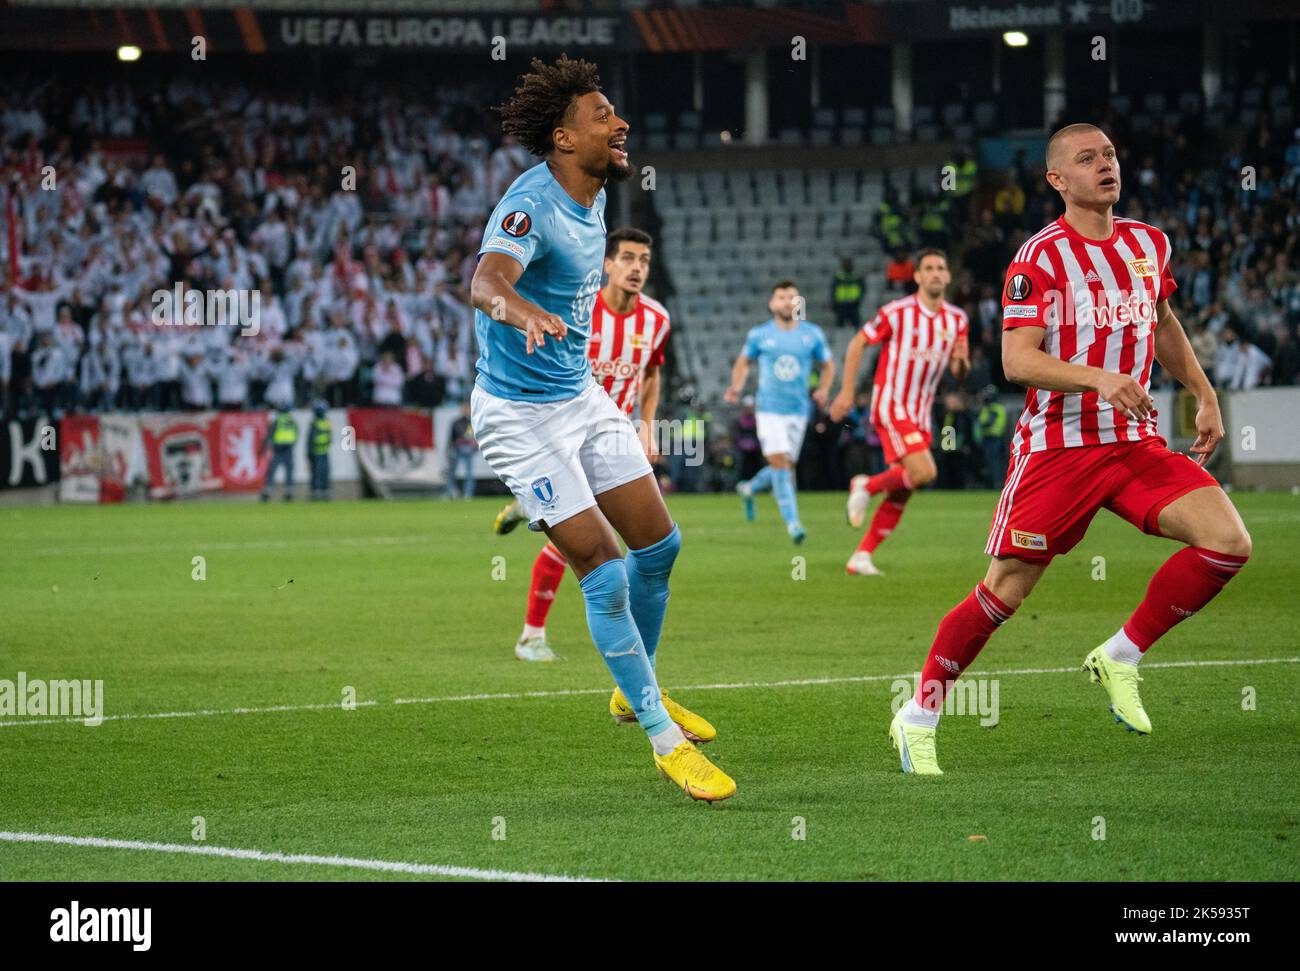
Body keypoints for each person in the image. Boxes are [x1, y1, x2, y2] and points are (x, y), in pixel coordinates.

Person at [888, 123, 1251, 775]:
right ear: (1057, 179)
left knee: (1227, 541)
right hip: (1059, 450)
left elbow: (1161, 322)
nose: (1104, 165)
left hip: (1132, 444)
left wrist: (1202, 389)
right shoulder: (1040, 259)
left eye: (1109, 154)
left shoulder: (1148, 243)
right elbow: (1016, 360)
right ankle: (918, 715)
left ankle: (1121, 653)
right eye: (1087, 159)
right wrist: (1101, 378)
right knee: (1002, 593)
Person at [467, 56, 733, 801]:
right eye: (601, 117)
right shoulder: (531, 202)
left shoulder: (593, 207)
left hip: (579, 398)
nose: (620, 125)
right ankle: (661, 735)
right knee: (606, 568)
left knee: (662, 545)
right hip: (519, 418)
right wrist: (525, 313)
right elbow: (486, 282)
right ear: (561, 138)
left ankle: (631, 688)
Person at [492, 227, 673, 668]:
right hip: (562, 429)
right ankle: (531, 636)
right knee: (585, 541)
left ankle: (527, 506)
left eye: (644, 261)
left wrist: (647, 428)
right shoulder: (580, 308)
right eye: (627, 258)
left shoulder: (657, 320)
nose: (636, 268)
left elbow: (650, 374)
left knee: (642, 540)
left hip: (612, 440)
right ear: (606, 264)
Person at [829, 249, 970, 575]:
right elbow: (857, 344)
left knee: (906, 487)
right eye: (929, 268)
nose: (936, 273)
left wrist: (962, 361)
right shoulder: (897, 312)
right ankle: (866, 485)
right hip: (892, 404)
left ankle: (861, 556)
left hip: (921, 413)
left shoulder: (957, 319)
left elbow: (959, 372)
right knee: (926, 472)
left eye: (941, 268)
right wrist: (847, 392)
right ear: (917, 276)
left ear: (947, 276)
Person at [725, 281, 835, 544]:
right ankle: (793, 524)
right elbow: (743, 362)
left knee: (783, 466)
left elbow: (829, 365)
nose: (787, 302)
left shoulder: (812, 334)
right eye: (781, 297)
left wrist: (823, 389)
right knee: (780, 464)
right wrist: (736, 387)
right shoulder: (760, 334)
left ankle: (749, 488)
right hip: (769, 409)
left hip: (798, 410)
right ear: (772, 304)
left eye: (792, 297)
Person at [260, 404, 298, 502]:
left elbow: (269, 436)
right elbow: (296, 435)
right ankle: (289, 492)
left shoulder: (277, 421)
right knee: (289, 472)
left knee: (271, 471)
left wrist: (263, 450)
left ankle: (267, 492)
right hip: (289, 449)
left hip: (278, 449)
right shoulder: (292, 421)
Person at [445, 400, 477, 499]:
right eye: (463, 408)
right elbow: (451, 438)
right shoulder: (456, 422)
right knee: (451, 473)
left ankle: (468, 493)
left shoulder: (471, 423)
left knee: (469, 474)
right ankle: (448, 493)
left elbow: (473, 438)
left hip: (468, 451)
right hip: (457, 450)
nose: (465, 410)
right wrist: (448, 450)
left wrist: (474, 448)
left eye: (467, 408)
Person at [831, 257, 865, 329]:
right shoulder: (838, 277)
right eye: (845, 264)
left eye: (848, 264)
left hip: (854, 304)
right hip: (841, 304)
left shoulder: (857, 277)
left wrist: (859, 299)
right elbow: (833, 291)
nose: (847, 266)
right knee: (840, 325)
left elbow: (863, 289)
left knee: (856, 325)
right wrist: (834, 302)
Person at [308, 399, 331, 501]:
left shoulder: (314, 423)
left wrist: (308, 455)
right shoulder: (326, 423)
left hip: (317, 452)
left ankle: (317, 492)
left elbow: (310, 441)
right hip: (323, 451)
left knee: (318, 473)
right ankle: (324, 492)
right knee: (323, 472)